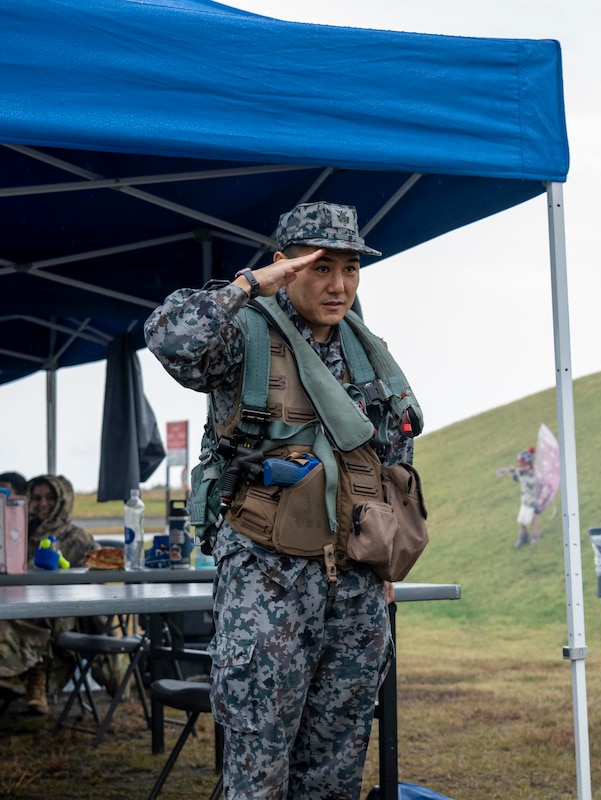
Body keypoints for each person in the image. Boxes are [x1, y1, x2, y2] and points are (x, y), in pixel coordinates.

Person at [145, 201, 422, 799]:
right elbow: (169, 339)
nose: (338, 284)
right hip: (267, 575)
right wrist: (249, 286)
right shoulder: (243, 337)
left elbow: (393, 455)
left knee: (336, 765)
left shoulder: (367, 352)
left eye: (350, 269)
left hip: (353, 584)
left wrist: (388, 561)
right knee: (259, 764)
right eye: (320, 267)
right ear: (284, 266)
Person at [0, 474, 100, 714]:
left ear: (62, 501)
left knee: (38, 612)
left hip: (60, 616)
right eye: (36, 497)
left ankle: (31, 679)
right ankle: (15, 676)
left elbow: (97, 578)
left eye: (50, 498)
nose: (42, 503)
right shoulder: (17, 530)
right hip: (17, 605)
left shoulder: (77, 538)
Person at [496, 447, 542, 548]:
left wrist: (523, 475)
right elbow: (516, 479)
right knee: (522, 520)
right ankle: (523, 537)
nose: (521, 468)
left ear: (529, 465)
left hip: (534, 502)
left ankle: (536, 536)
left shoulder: (533, 474)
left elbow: (533, 484)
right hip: (525, 501)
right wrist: (513, 472)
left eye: (524, 465)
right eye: (520, 466)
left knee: (534, 519)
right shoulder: (522, 473)